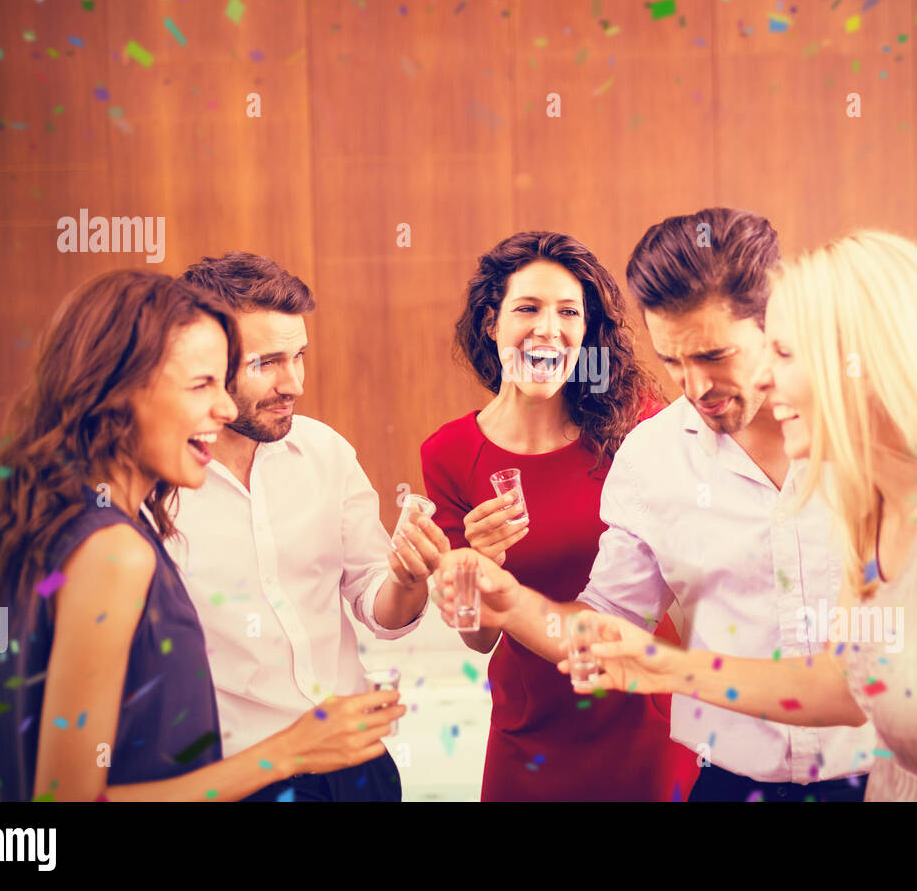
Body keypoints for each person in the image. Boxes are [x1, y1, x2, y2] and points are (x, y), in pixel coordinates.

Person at [551, 230, 917, 801]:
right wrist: (659, 667)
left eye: (786, 353)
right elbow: (838, 687)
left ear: (867, 365)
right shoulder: (872, 512)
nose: (764, 381)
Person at [432, 210, 875, 802]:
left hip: (883, 779)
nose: (694, 389)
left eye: (715, 356)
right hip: (727, 784)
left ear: (778, 322)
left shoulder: (871, 437)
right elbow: (611, 620)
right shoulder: (654, 455)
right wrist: (509, 603)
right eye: (673, 362)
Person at [0, 270, 401, 801]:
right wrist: (288, 753)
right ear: (118, 394)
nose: (226, 408)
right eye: (201, 384)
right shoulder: (114, 552)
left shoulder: (46, 516)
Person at [421, 231, 698, 801]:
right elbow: (476, 637)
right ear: (491, 323)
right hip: (531, 732)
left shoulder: (638, 425)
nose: (549, 328)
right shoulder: (448, 454)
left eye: (568, 312)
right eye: (528, 308)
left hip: (646, 717)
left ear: (585, 331)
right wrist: (479, 565)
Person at [172, 251, 447, 802]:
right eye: (267, 362)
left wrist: (408, 578)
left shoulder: (325, 452)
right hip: (241, 778)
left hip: (358, 765)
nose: (294, 382)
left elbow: (379, 607)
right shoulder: (155, 487)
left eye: (299, 356)